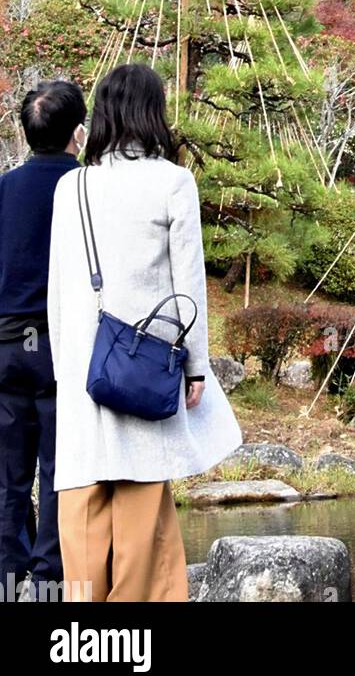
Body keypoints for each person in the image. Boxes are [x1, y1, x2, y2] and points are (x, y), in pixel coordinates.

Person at [48, 63, 241, 602]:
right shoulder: (173, 182)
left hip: (85, 366)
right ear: (152, 113)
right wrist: (196, 366)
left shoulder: (73, 186)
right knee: (141, 498)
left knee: (83, 502)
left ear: (103, 114)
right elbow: (189, 286)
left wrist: (65, 371)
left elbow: (57, 288)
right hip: (145, 362)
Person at [0, 81, 86, 599]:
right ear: (79, 131)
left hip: (7, 343)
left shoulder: (5, 187)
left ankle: (8, 580)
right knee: (58, 467)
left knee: (8, 473)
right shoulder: (84, 188)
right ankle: (50, 578)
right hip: (59, 344)